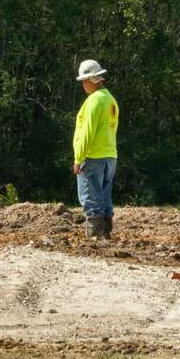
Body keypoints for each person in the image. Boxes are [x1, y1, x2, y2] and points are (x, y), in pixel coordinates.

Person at [72, 59, 119, 239]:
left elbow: (87, 132)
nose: (83, 85)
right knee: (104, 198)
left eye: (84, 81)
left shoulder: (93, 101)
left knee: (91, 199)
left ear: (92, 80)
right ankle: (106, 234)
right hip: (110, 156)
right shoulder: (111, 100)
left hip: (92, 157)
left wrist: (78, 158)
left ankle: (95, 238)